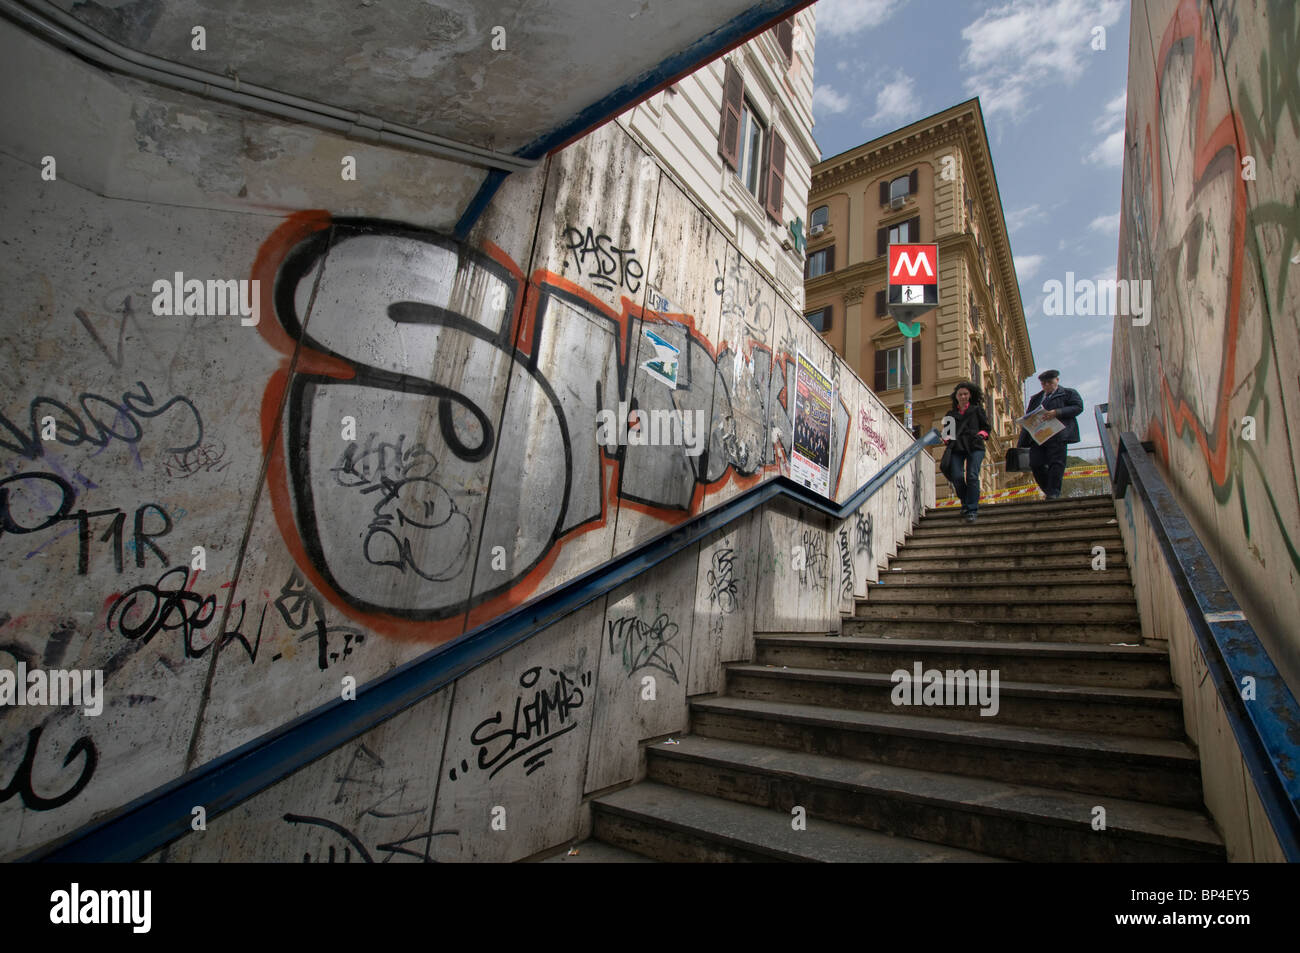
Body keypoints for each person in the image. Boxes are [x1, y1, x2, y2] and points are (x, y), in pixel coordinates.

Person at [1017, 369, 1084, 500]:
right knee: (1035, 464)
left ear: (1057, 381)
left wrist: (1057, 412)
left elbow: (1078, 407)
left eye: (1049, 382)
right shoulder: (1036, 398)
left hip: (1058, 434)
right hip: (1038, 436)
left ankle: (1053, 492)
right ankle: (1049, 489)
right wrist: (1022, 441)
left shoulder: (1068, 393)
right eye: (1044, 383)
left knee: (1056, 463)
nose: (1047, 385)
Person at [940, 381, 991, 523]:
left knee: (972, 476)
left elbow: (987, 428)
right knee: (956, 476)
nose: (963, 396)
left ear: (970, 395)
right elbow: (946, 434)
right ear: (956, 396)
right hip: (957, 448)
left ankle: (972, 509)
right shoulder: (950, 414)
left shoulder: (976, 410)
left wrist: (981, 434)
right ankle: (966, 500)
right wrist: (945, 438)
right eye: (960, 394)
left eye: (965, 394)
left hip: (975, 446)